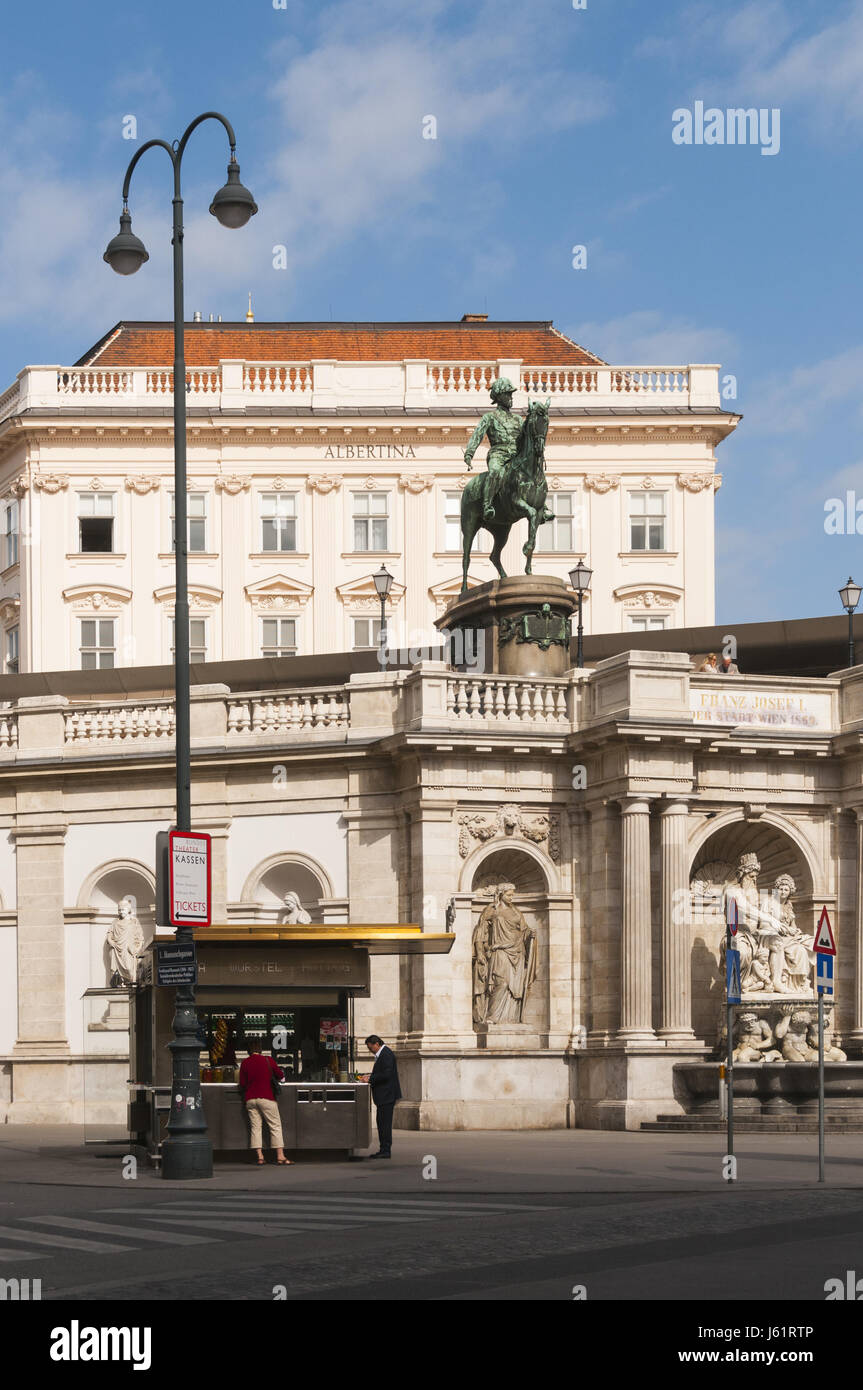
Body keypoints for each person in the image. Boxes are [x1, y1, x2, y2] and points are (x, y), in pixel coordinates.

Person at [238, 1038, 292, 1165]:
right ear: (260, 1049)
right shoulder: (268, 1060)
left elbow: (242, 1083)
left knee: (255, 1128)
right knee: (275, 1126)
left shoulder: (245, 1063)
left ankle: (260, 1157)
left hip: (250, 1099)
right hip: (266, 1097)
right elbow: (280, 1075)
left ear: (248, 1051)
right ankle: (280, 1156)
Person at [362, 1034, 401, 1159]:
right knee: (382, 1123)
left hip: (387, 1095)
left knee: (384, 1124)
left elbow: (386, 1074)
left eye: (370, 1048)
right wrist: (370, 1076)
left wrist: (370, 1078)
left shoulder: (386, 1054)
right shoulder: (383, 1054)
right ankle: (383, 1148)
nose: (370, 1051)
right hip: (384, 1096)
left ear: (376, 1044)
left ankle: (385, 1150)